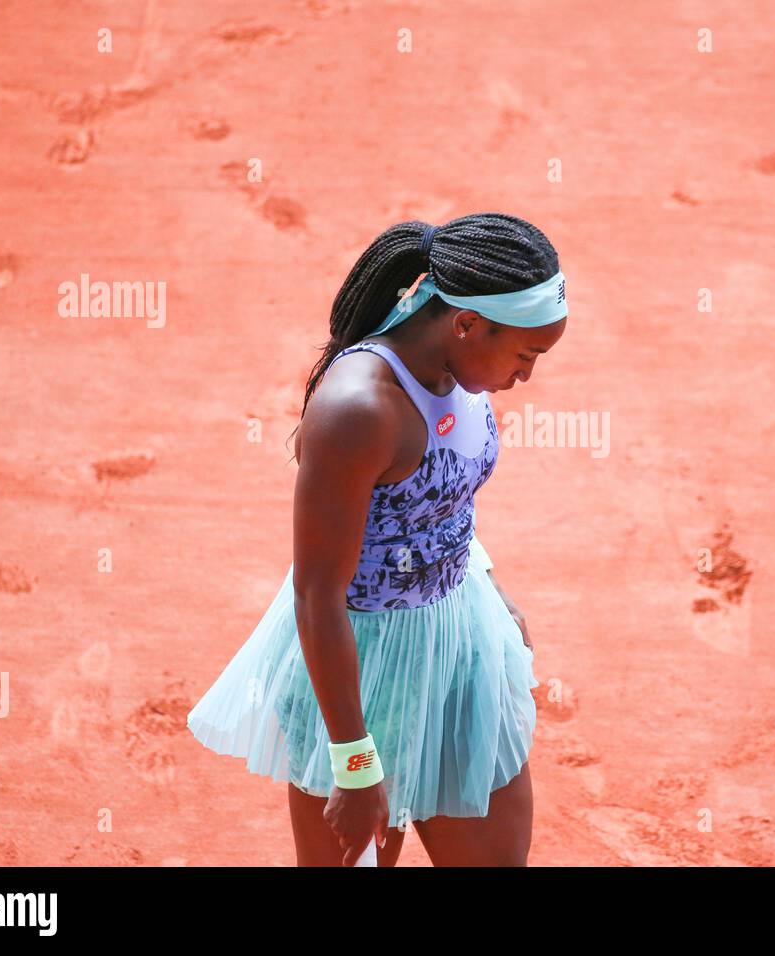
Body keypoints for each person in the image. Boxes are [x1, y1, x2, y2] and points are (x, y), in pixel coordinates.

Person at [186, 213, 568, 866]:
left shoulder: (461, 365)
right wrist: (356, 764)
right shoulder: (359, 413)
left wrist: (488, 586)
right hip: (362, 675)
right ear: (467, 323)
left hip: (461, 645)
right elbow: (317, 595)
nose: (526, 377)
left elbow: (436, 503)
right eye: (525, 356)